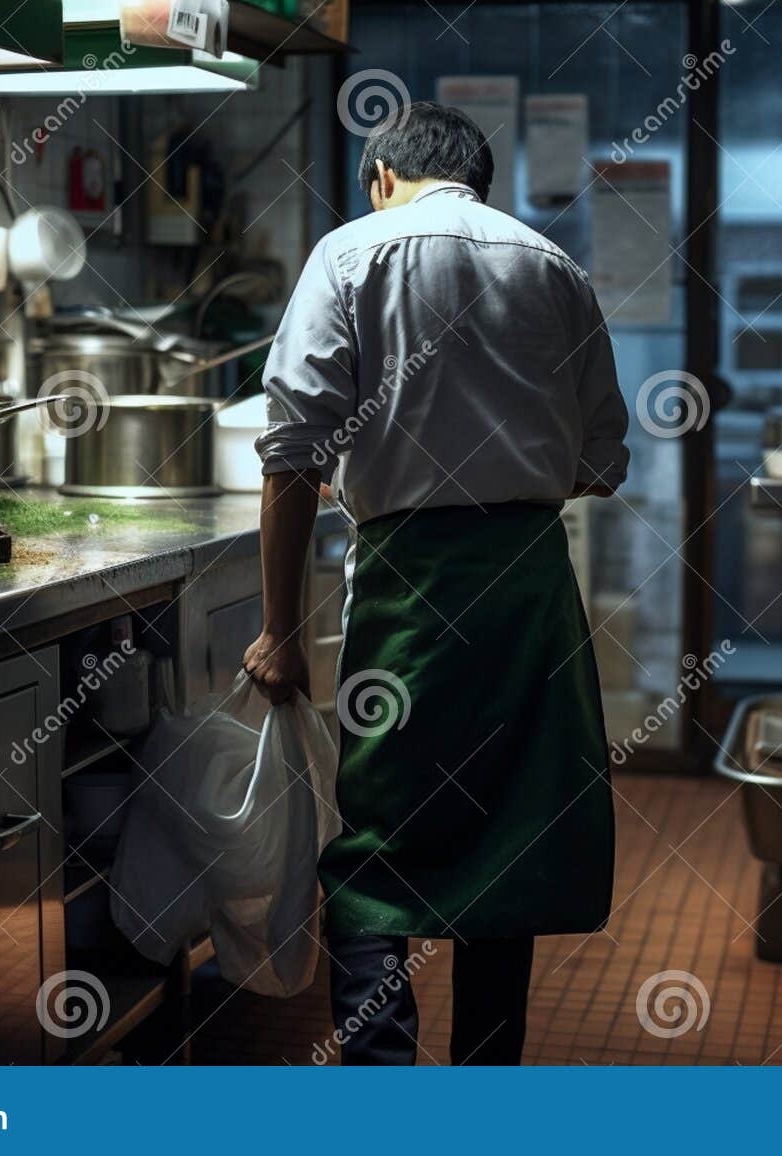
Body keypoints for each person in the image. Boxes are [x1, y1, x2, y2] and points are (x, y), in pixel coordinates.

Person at [243, 101, 629, 1066]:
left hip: (412, 588)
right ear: (481, 183)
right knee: (514, 836)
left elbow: (290, 460)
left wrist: (280, 633)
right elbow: (599, 461)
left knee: (380, 833)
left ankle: (381, 1084)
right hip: (531, 590)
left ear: (382, 176)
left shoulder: (349, 255)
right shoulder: (554, 267)